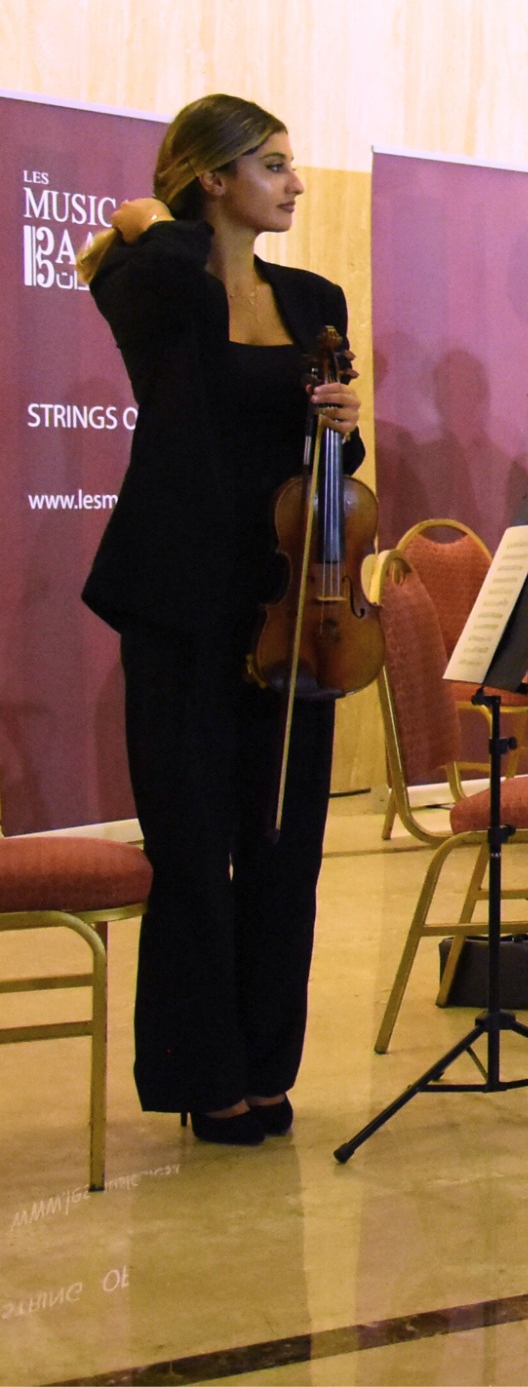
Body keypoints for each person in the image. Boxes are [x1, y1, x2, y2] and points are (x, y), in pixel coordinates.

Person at [78, 94, 364, 1144]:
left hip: (297, 599)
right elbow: (161, 299)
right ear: (212, 174)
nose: (294, 182)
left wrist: (342, 428)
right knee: (193, 845)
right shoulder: (152, 277)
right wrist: (153, 225)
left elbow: (333, 468)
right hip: (181, 598)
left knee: (285, 847)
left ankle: (264, 1058)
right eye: (273, 163)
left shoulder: (314, 295)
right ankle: (206, 1073)